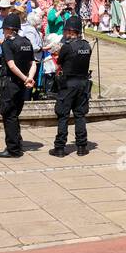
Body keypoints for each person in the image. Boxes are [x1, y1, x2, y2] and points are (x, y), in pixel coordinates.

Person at [50, 16, 92, 157]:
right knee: (80, 115)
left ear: (69, 31)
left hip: (68, 84)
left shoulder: (67, 47)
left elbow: (60, 61)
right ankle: (81, 146)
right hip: (83, 83)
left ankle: (60, 147)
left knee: (63, 115)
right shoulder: (87, 46)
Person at [0, 11, 36, 158]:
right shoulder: (26, 42)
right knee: (15, 114)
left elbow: (12, 66)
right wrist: (29, 78)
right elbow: (33, 63)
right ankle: (17, 143)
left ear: (8, 29)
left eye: (4, 29)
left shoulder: (8, 43)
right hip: (22, 85)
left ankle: (13, 149)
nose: (4, 32)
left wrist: (25, 78)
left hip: (11, 83)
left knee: (9, 115)